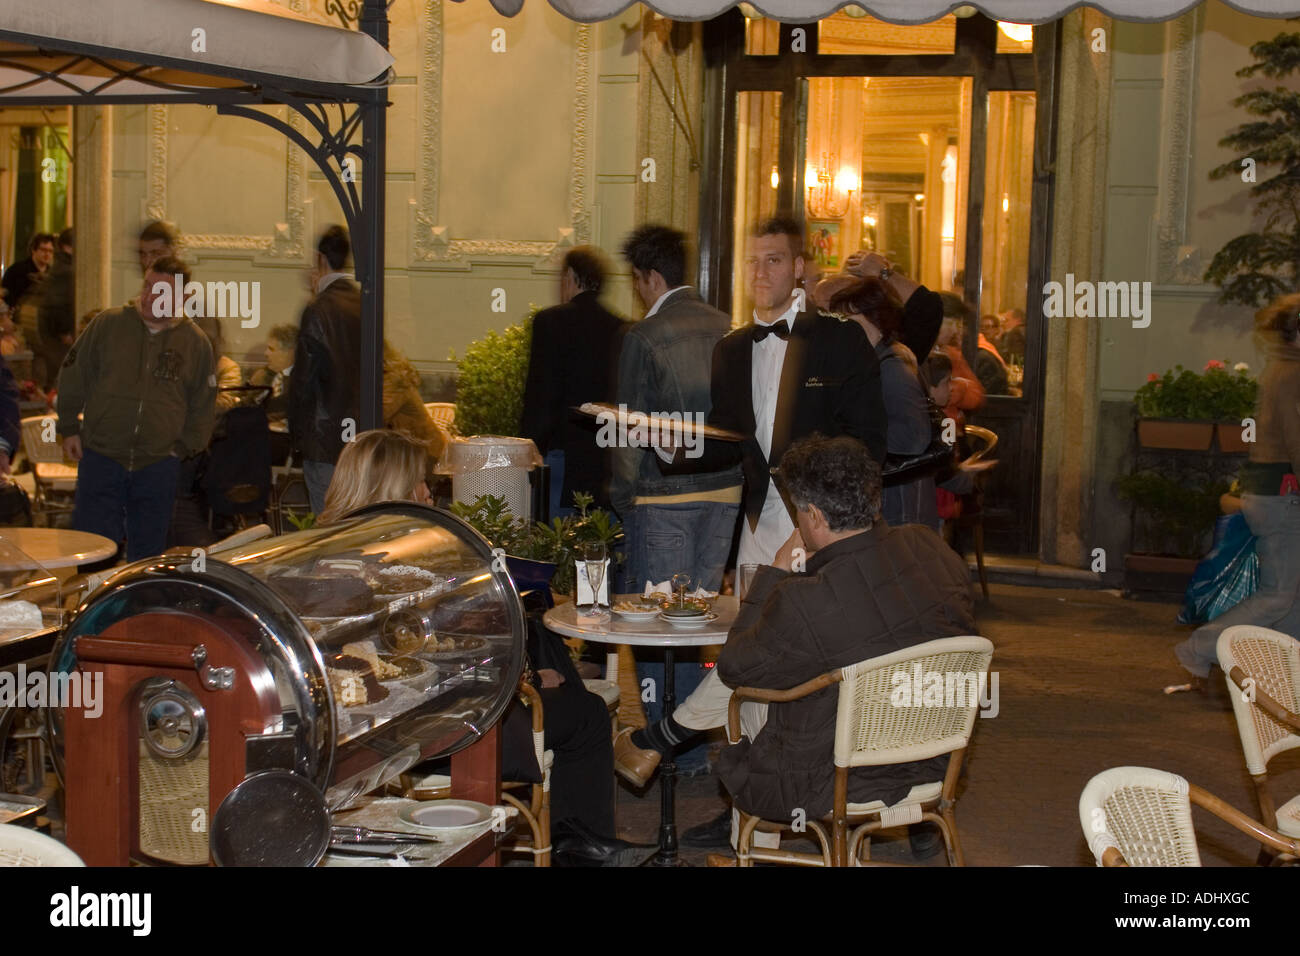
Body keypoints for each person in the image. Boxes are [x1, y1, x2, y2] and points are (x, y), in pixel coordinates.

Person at [618, 435, 977, 851]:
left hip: (840, 776)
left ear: (815, 516)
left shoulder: (805, 598)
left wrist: (773, 572)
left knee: (745, 693)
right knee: (797, 663)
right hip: (934, 759)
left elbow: (733, 666)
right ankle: (664, 739)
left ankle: (750, 846)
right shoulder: (933, 549)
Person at [319, 429, 643, 865]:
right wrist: (523, 680)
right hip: (436, 726)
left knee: (558, 677)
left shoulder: (326, 549)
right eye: (421, 483)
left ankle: (577, 837)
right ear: (395, 488)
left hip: (364, 723)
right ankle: (580, 847)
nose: (430, 494)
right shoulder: (404, 558)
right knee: (585, 716)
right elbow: (439, 650)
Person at [659, 217, 887, 572]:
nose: (760, 272)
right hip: (755, 527)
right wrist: (671, 442)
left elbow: (867, 441)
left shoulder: (841, 340)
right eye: (752, 261)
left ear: (797, 267)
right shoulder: (730, 350)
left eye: (774, 260)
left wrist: (827, 514)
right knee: (751, 623)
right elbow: (728, 440)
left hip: (825, 526)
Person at [611, 225, 744, 774]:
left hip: (661, 499)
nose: (638, 291)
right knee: (698, 623)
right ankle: (693, 742)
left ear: (651, 277)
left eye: (637, 281)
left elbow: (624, 432)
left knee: (655, 627)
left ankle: (671, 750)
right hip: (726, 493)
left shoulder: (644, 337)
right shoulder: (729, 329)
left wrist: (624, 504)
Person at [1174, 294, 1300, 685]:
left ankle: (1287, 675)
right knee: (1279, 594)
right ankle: (1200, 648)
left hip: (1271, 492)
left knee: (1290, 595)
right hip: (1282, 494)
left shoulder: (1281, 368)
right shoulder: (1293, 374)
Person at [56, 256, 216, 562]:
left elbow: (203, 405)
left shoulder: (195, 344)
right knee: (93, 550)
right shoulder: (108, 325)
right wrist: (68, 428)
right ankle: (96, 608)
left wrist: (183, 448)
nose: (149, 296)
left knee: (148, 555)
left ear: (182, 298)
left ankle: (137, 608)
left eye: (161, 291)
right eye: (148, 286)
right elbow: (73, 374)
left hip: (158, 464)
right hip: (102, 456)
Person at [521, 246, 627, 517]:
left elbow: (540, 395)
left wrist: (529, 448)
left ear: (570, 276)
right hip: (608, 460)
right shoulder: (623, 328)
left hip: (562, 458)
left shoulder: (550, 322)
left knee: (557, 546)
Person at [829, 277, 939, 531]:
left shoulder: (892, 367)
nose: (842, 330)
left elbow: (914, 437)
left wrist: (854, 435)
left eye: (851, 322)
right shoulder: (873, 359)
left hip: (898, 502)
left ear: (878, 321)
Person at [289, 225, 361, 514]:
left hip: (323, 439)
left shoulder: (319, 309)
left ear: (320, 258)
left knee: (327, 525)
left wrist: (297, 435)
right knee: (354, 523)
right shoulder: (365, 303)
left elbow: (304, 380)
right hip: (358, 442)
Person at [383, 342, 445, 464]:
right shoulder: (390, 378)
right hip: (413, 451)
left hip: (426, 454)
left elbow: (375, 415)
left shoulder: (394, 382)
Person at [249, 324, 296, 466]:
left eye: (271, 349)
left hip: (284, 441)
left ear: (289, 352)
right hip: (261, 434)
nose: (266, 354)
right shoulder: (264, 375)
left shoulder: (300, 381)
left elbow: (286, 407)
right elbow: (249, 401)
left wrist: (259, 416)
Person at [35, 228, 75, 389]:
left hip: (50, 333)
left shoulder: (60, 266)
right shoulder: (66, 270)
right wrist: (64, 331)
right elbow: (56, 302)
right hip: (58, 336)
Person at [1, 233, 55, 312]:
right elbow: (6, 296)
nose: (47, 254)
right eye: (43, 250)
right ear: (33, 250)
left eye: (50, 251)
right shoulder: (16, 270)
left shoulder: (53, 274)